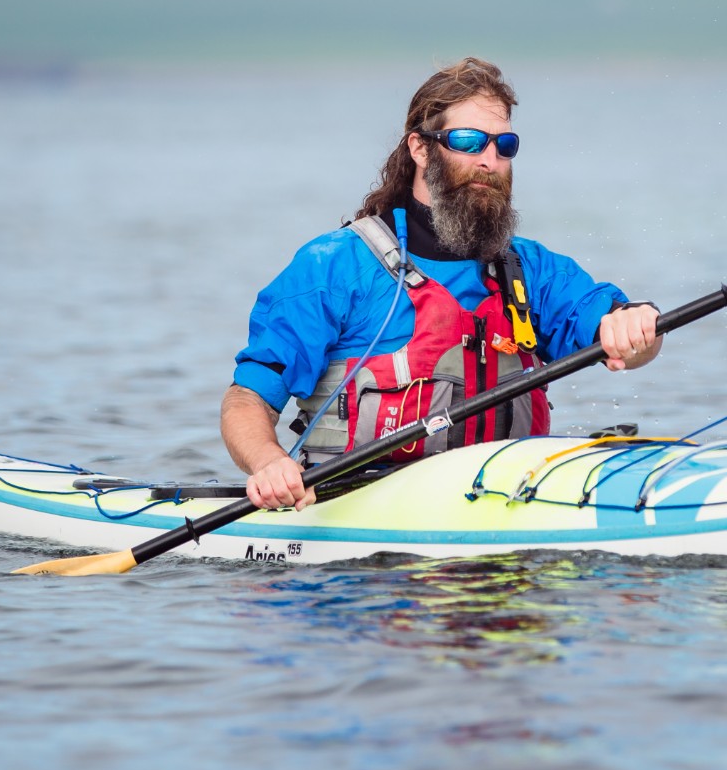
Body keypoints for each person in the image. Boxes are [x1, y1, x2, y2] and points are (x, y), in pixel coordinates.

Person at [223, 57, 663, 511]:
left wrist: (635, 328)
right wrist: (269, 462)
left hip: (505, 515)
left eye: (503, 145)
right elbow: (246, 398)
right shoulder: (334, 267)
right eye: (468, 141)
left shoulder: (531, 271)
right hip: (358, 541)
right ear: (420, 148)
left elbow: (622, 335)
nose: (489, 161)